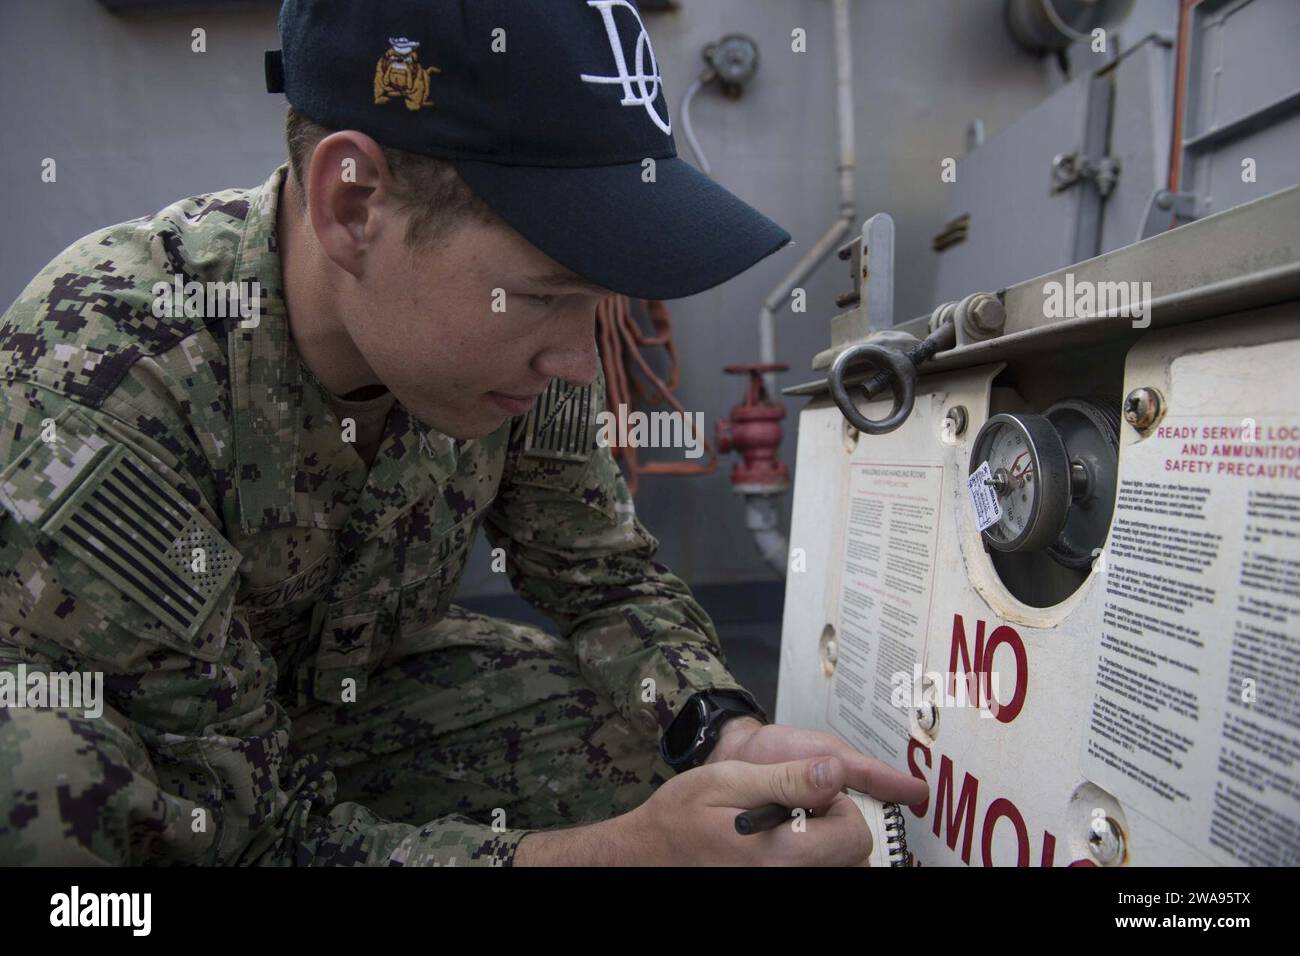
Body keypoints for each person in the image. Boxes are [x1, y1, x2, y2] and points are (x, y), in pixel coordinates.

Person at [0, 0, 926, 866]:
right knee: (39, 784)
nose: (579, 360)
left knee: (661, 757)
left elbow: (601, 575)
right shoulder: (100, 385)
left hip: (335, 704)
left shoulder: (523, 358)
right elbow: (250, 840)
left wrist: (721, 729)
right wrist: (611, 855)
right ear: (353, 207)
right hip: (158, 752)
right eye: (544, 296)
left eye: (598, 298)